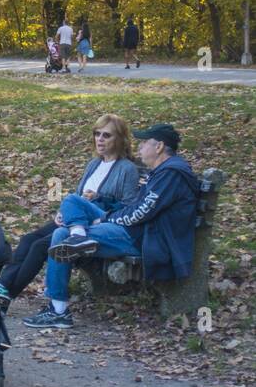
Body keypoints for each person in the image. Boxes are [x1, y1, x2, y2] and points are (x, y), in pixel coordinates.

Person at [25, 124, 199, 329]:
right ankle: (78, 236)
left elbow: (140, 213)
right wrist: (107, 211)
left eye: (144, 143)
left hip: (143, 238)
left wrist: (107, 219)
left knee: (62, 235)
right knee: (72, 201)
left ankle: (59, 310)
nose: (140, 147)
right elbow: (135, 208)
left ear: (159, 146)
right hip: (130, 228)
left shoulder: (171, 175)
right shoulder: (161, 172)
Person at [0, 115, 140, 309]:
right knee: (28, 239)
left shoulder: (127, 169)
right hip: (74, 220)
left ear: (120, 139)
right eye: (97, 134)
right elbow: (78, 196)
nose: (100, 139)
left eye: (107, 135)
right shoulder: (94, 164)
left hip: (97, 223)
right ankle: (2, 287)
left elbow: (128, 207)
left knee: (39, 247)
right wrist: (63, 212)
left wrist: (99, 198)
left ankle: (5, 296)